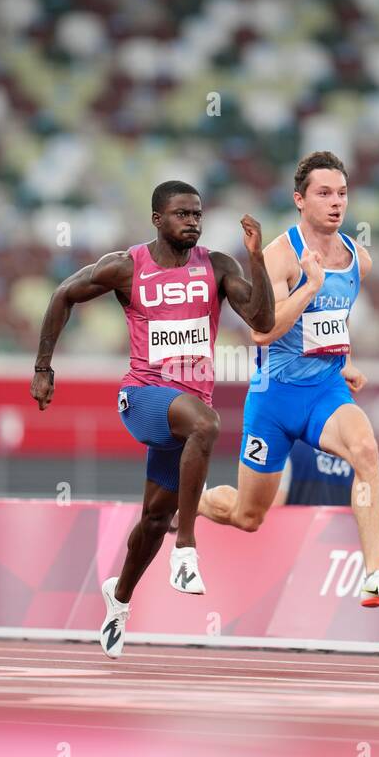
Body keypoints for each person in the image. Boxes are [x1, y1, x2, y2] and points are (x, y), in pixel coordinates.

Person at [30, 182, 274, 656]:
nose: (193, 222)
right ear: (158, 220)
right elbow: (63, 295)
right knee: (207, 424)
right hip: (141, 396)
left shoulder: (218, 267)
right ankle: (187, 548)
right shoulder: (127, 266)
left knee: (153, 519)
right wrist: (43, 368)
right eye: (182, 214)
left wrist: (258, 258)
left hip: (184, 410)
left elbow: (262, 321)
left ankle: (118, 599)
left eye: (198, 214)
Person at [198, 150, 379, 608]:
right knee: (248, 516)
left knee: (366, 450)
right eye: (324, 193)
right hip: (273, 402)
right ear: (300, 199)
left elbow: (334, 318)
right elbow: (261, 331)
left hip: (324, 393)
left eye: (342, 193)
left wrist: (346, 358)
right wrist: (309, 286)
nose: (336, 202)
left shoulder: (359, 260)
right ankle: (191, 498)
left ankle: (374, 574)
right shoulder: (279, 256)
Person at [274, 439, 354, 507]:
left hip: (297, 523)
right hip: (338, 523)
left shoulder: (289, 448)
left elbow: (273, 510)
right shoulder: (353, 457)